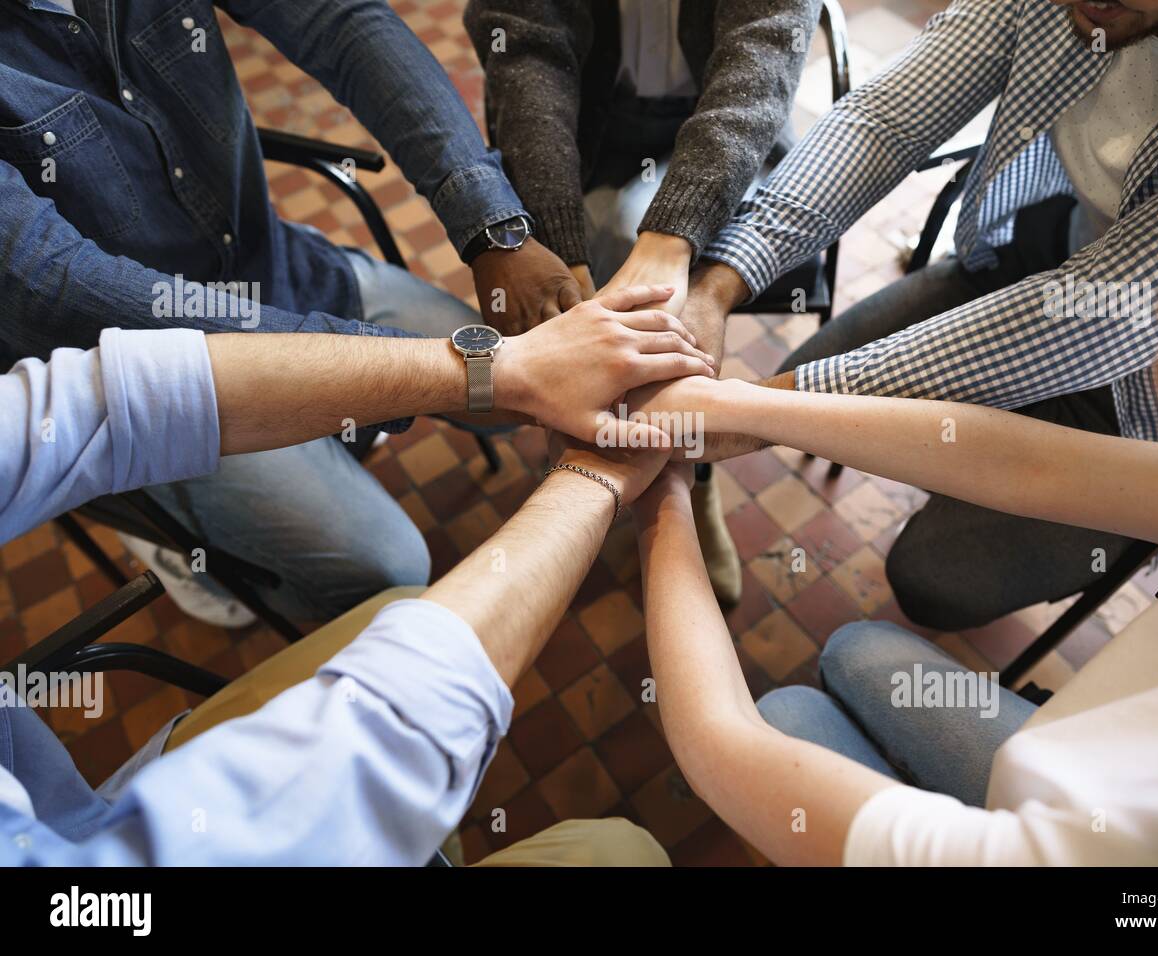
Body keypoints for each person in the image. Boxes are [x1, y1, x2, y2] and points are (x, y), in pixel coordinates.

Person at [626, 18, 1158, 865]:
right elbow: (1033, 463)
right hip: (1084, 767)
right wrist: (744, 400)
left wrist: (662, 498)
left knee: (790, 716)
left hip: (1067, 822)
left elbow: (722, 747)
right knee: (859, 650)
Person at [0, 284, 706, 865]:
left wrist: (503, 369)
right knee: (624, 854)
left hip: (84, 811)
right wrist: (593, 477)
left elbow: (110, 403)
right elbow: (330, 795)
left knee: (398, 600)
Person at [677, 0, 1158, 630]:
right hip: (1041, 264)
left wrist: (759, 411)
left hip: (1149, 393)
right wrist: (716, 288)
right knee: (809, 384)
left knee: (930, 576)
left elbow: (1103, 319)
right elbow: (885, 119)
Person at [0, 0, 585, 627]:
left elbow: (340, 20)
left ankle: (332, 438)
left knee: (501, 407)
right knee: (388, 570)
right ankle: (170, 530)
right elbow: (46, 280)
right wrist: (412, 371)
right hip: (138, 379)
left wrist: (492, 228)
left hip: (276, 273)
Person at [463, 0, 821, 605]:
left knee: (652, 278)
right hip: (586, 128)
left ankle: (680, 475)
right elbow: (527, 54)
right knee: (592, 277)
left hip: (729, 129)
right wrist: (562, 244)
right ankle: (618, 458)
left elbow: (758, 62)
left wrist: (673, 237)